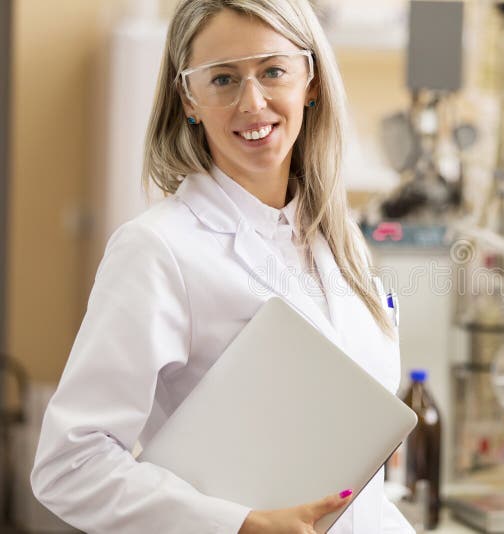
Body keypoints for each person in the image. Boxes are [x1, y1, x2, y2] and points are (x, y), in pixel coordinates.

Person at [30, 1, 412, 532]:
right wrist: (241, 524)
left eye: (273, 70)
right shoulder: (158, 248)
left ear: (312, 81)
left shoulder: (340, 238)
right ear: (189, 98)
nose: (252, 103)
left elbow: (352, 480)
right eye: (224, 79)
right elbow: (70, 466)